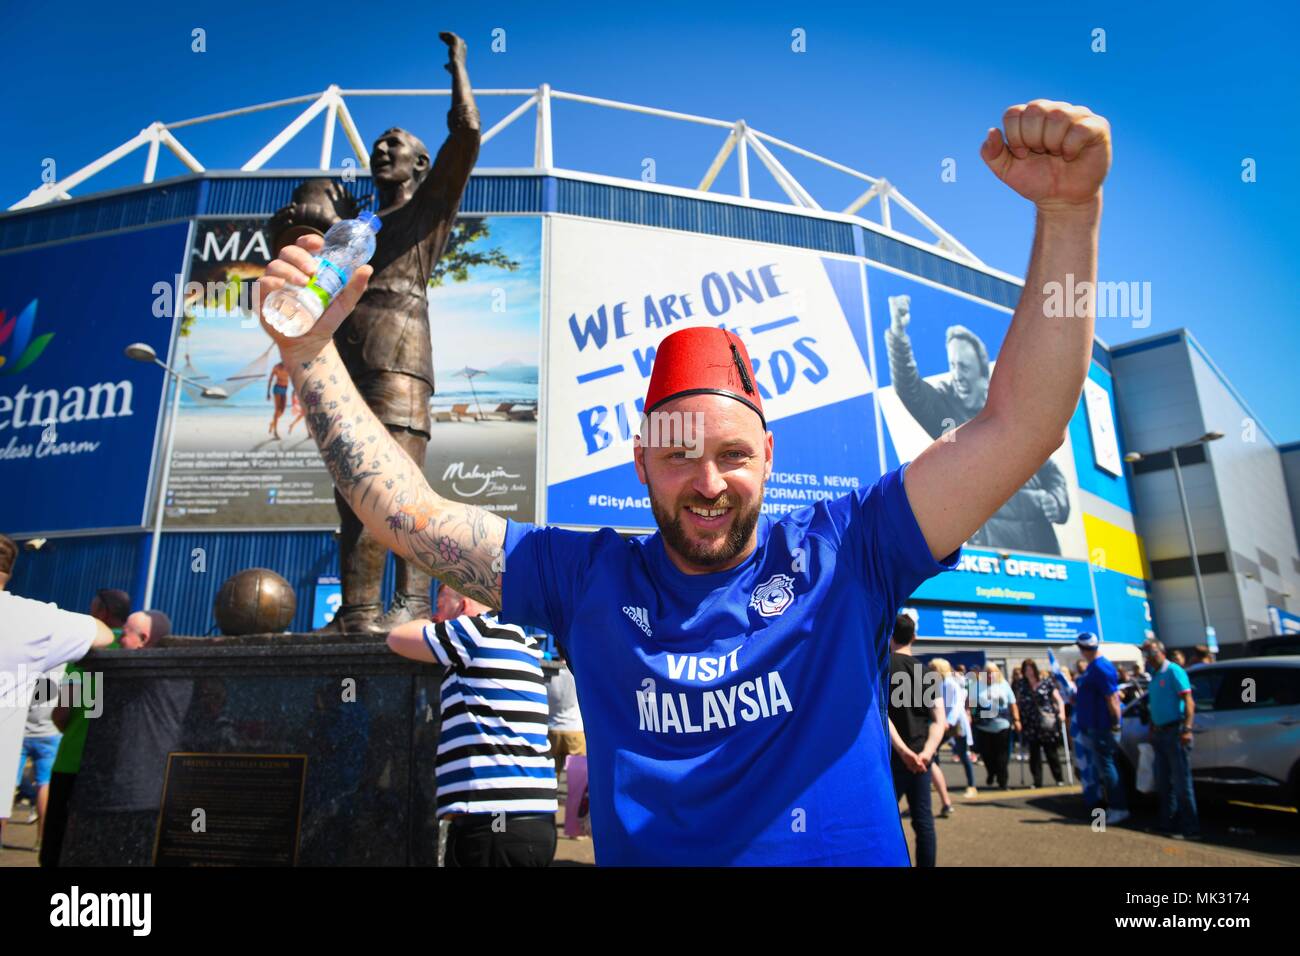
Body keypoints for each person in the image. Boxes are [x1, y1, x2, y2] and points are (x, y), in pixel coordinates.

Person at [257, 99, 1112, 865]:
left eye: (734, 455)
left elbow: (1023, 425)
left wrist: (1069, 216)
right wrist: (308, 353)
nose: (709, 482)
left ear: (769, 455)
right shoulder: (586, 577)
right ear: (640, 465)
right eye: (678, 456)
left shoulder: (851, 549)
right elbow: (405, 514)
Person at [386, 585, 557, 866]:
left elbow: (397, 637)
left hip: (490, 822)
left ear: (463, 607)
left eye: (440, 607)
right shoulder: (520, 641)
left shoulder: (475, 632)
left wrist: (426, 623)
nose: (435, 615)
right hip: (531, 820)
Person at [885, 305, 1071, 556]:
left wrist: (1057, 500)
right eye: (952, 365)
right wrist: (898, 335)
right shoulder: (945, 412)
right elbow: (909, 389)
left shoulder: (1010, 407)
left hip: (1045, 557)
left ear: (982, 371)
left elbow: (1050, 469)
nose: (957, 374)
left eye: (964, 367)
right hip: (992, 561)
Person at [0, 552, 115, 852]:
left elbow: (65, 711)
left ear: (100, 610)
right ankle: (40, 839)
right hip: (69, 745)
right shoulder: (62, 644)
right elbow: (94, 706)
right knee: (44, 787)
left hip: (61, 749)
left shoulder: (78, 662)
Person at [40, 588, 130, 866]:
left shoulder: (85, 654)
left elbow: (62, 714)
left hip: (71, 762)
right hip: (112, 767)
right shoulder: (131, 652)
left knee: (57, 843)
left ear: (102, 612)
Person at [887, 615, 945, 866]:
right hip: (922, 758)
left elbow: (880, 713)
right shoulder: (927, 673)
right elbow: (939, 719)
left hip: (892, 757)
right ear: (914, 637)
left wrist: (902, 750)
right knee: (924, 822)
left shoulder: (881, 667)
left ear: (890, 636)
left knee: (885, 818)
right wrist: (926, 753)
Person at [1141, 638, 1200, 839]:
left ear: (1161, 652)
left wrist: (1187, 728)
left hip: (1175, 732)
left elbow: (1188, 701)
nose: (1148, 657)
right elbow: (1154, 705)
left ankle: (1191, 828)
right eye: (1146, 653)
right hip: (1159, 733)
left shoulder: (1173, 671)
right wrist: (1152, 727)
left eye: (1151, 652)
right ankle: (1167, 824)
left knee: (1182, 783)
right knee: (1164, 782)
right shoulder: (1155, 677)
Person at [1072, 632, 1129, 824]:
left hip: (1101, 726)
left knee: (1107, 767)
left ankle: (1119, 807)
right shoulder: (1093, 667)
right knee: (1103, 768)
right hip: (1092, 725)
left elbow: (1112, 698)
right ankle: (1112, 804)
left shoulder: (1101, 667)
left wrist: (1115, 725)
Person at [1013, 659, 1067, 787]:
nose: (1028, 672)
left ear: (1035, 669)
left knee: (1051, 752)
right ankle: (1037, 781)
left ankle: (1059, 778)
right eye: (1026, 669)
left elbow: (1058, 699)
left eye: (1030, 669)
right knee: (1034, 753)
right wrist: (1017, 719)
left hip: (1046, 721)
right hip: (1030, 722)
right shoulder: (1021, 684)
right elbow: (1016, 702)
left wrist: (1062, 712)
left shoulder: (1046, 683)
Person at [932, 657, 977, 797]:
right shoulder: (938, 683)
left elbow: (957, 705)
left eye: (933, 668)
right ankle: (936, 781)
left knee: (963, 754)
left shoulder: (951, 683)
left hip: (955, 723)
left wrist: (949, 721)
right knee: (933, 750)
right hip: (944, 723)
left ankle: (972, 786)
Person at [545, 652, 585, 801]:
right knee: (578, 782)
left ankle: (550, 808)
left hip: (553, 729)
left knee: (551, 777)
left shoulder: (549, 674)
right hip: (575, 730)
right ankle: (574, 813)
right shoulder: (577, 671)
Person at [973, 664, 1019, 789]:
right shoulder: (977, 686)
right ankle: (991, 772)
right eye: (987, 672)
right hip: (983, 726)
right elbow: (969, 703)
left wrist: (1017, 720)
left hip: (1002, 724)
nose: (990, 675)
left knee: (1002, 754)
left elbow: (1012, 703)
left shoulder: (1004, 684)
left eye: (992, 672)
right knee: (987, 754)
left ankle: (1002, 780)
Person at [267, 360, 291, 438]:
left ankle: (272, 423)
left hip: (285, 389)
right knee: (277, 409)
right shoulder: (276, 366)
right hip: (277, 388)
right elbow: (270, 379)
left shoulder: (289, 366)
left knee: (282, 411)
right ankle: (275, 432)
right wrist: (268, 393)